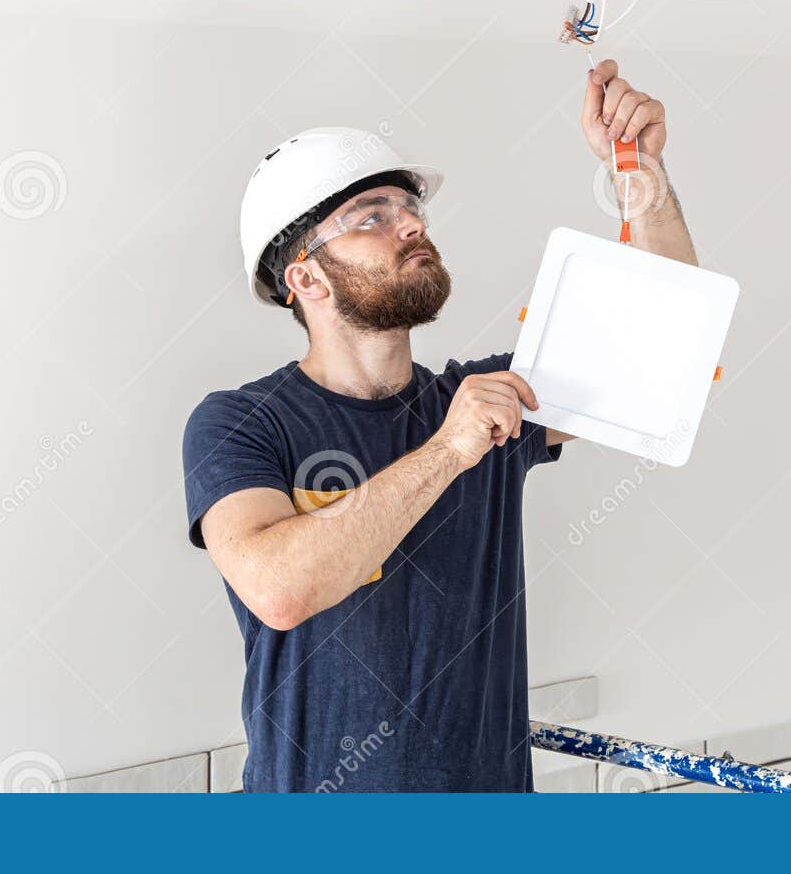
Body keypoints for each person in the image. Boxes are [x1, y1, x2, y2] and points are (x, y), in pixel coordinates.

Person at [182, 59, 699, 791]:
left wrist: (640, 170)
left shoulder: (483, 398)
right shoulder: (242, 424)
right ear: (305, 277)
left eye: (408, 209)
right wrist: (450, 450)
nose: (411, 225)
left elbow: (666, 349)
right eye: (373, 217)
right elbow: (279, 589)